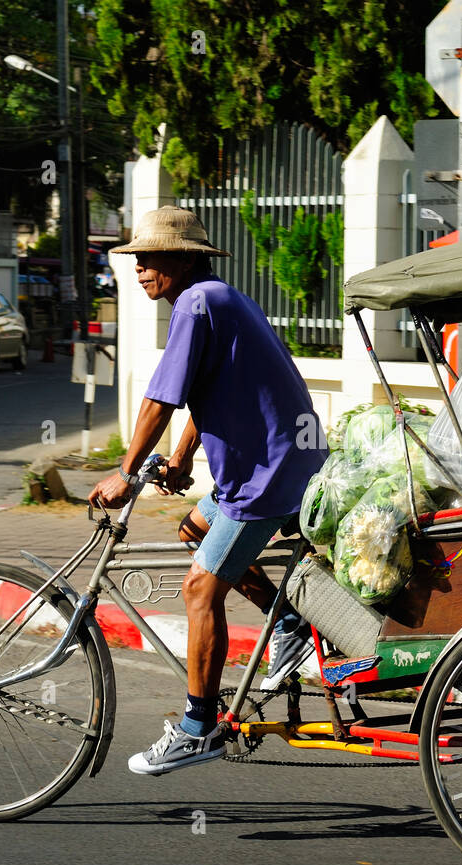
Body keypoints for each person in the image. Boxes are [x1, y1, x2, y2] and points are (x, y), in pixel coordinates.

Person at [87, 206, 327, 776]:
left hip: (266, 474)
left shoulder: (196, 304)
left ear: (184, 258)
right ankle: (288, 622)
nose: (140, 267)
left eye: (151, 257)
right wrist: (180, 456)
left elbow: (159, 400)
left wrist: (126, 472)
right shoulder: (218, 297)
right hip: (272, 463)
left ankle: (199, 729)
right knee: (194, 528)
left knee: (200, 588)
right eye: (136, 258)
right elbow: (207, 388)